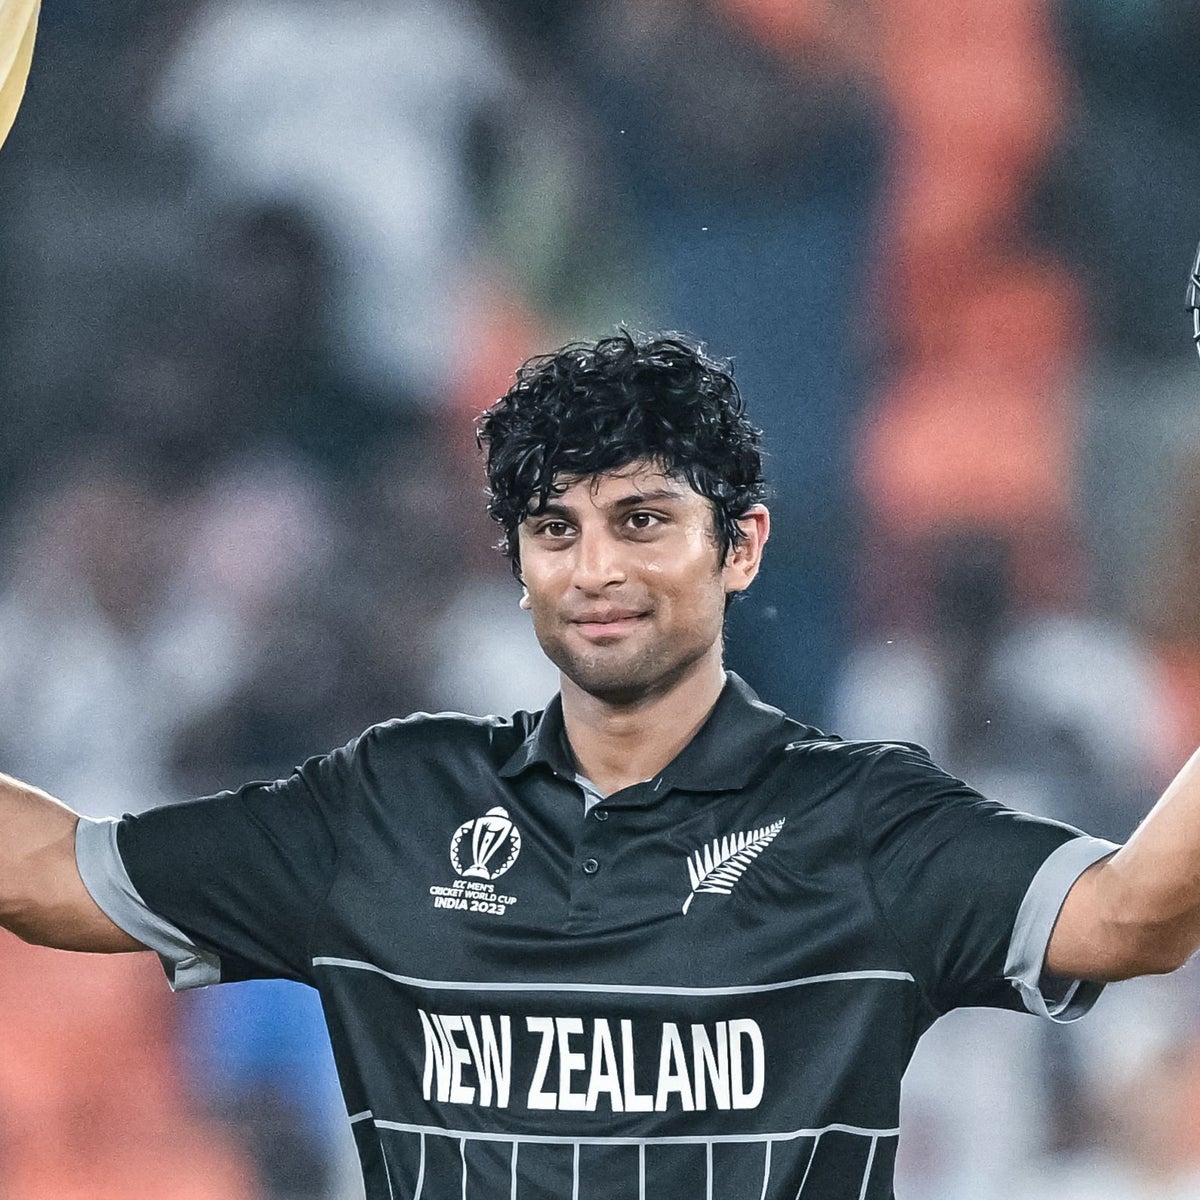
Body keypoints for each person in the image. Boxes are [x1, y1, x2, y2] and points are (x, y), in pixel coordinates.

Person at [1, 330, 1198, 1200]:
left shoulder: (858, 820)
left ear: (741, 548)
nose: (594, 572)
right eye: (553, 529)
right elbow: (54, 875)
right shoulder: (390, 803)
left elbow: (1132, 916)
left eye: (642, 521)